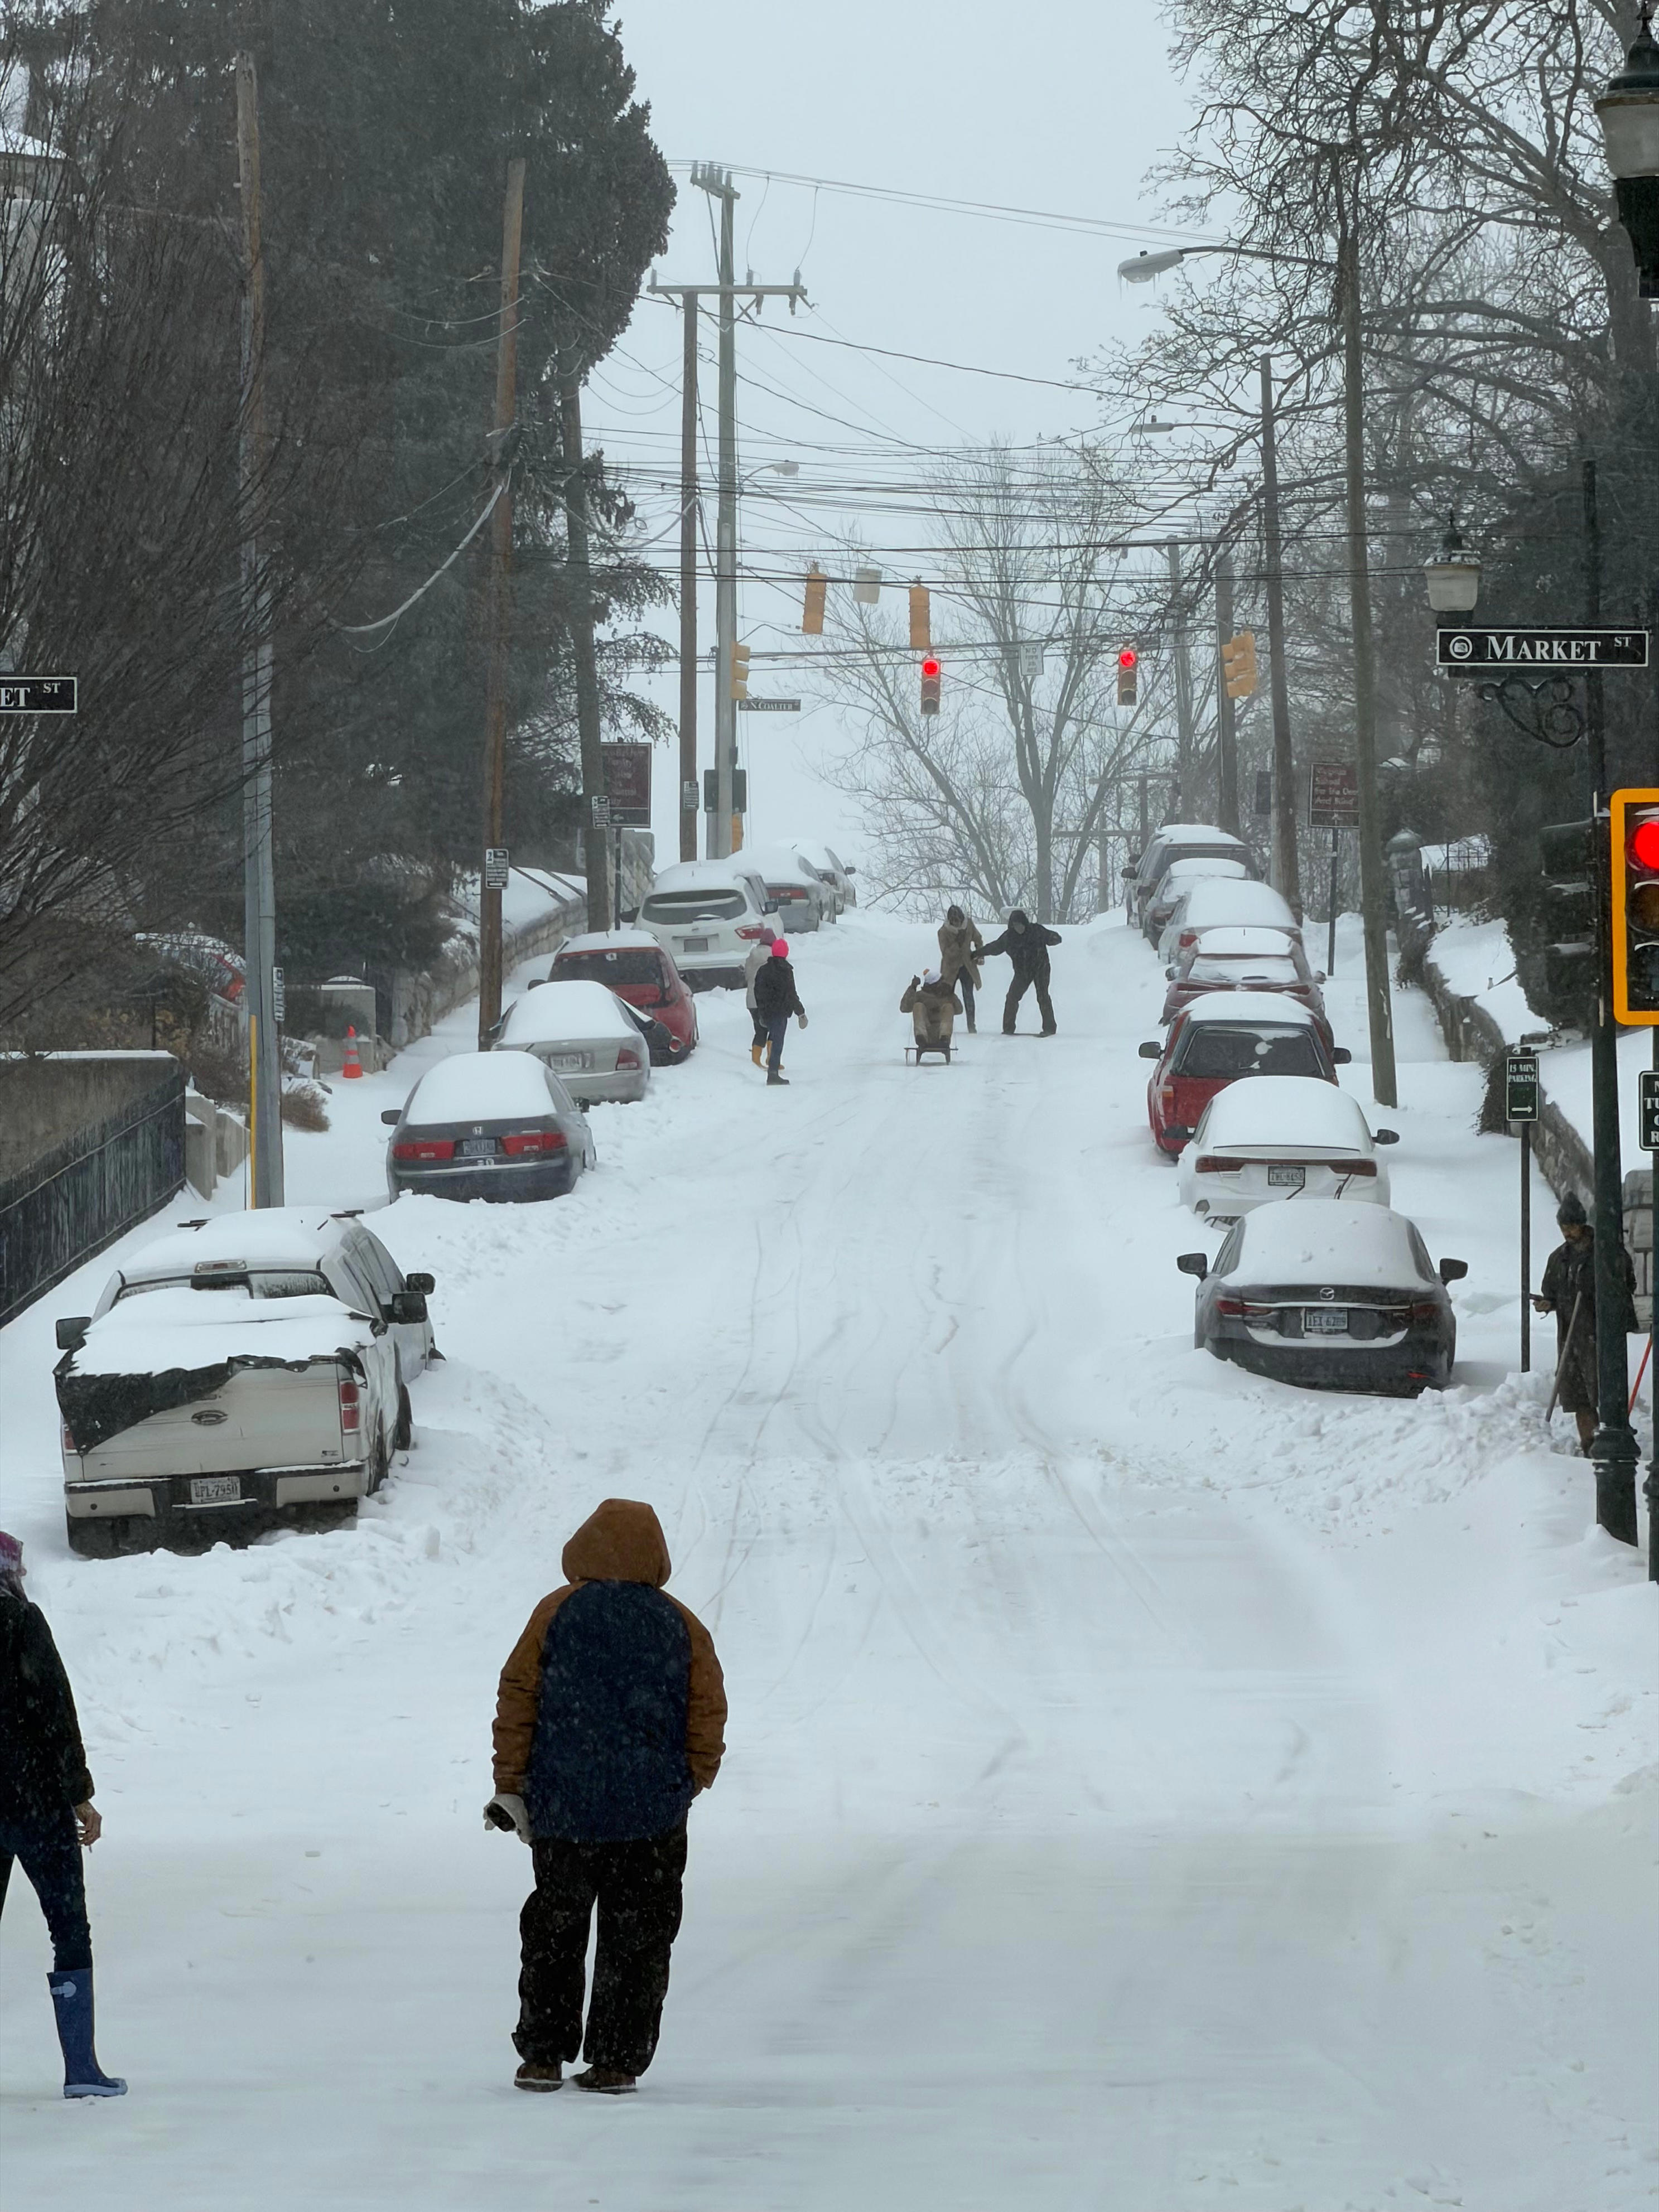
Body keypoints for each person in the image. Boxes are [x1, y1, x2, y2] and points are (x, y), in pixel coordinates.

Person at [487, 1499, 726, 2096]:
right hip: (651, 1816)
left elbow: (518, 1696)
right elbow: (707, 1707)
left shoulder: (555, 1613)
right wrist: (691, 1778)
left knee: (554, 1933)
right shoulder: (679, 1621)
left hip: (564, 1809)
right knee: (639, 1939)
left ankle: (542, 2055)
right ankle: (617, 2060)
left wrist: (511, 1782)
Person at [0, 1532, 126, 2099]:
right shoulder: (21, 1623)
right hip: (35, 1802)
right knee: (68, 1928)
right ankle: (81, 2070)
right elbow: (55, 1709)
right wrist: (79, 1793)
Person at [1534, 1190, 1637, 1454]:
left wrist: (1603, 1297)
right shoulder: (1559, 1259)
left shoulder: (1605, 1251)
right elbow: (1551, 1292)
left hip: (1600, 1334)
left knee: (1604, 1390)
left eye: (1571, 1226)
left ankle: (1615, 1436)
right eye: (1563, 1227)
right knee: (1578, 1395)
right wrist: (1548, 1303)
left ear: (1582, 1224)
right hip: (1570, 1335)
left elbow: (1627, 1282)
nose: (1567, 1232)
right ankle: (1590, 1444)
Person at [981, 909, 1062, 1036]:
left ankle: (1050, 1028)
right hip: (1023, 972)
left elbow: (1054, 938)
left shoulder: (1036, 931)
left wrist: (1054, 938)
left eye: (1020, 925)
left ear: (1025, 923)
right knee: (1012, 997)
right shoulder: (1009, 937)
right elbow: (995, 947)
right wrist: (977, 953)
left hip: (1041, 968)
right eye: (1015, 926)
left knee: (1043, 997)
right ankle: (1008, 1029)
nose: (1018, 928)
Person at [752, 936, 807, 1086]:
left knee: (774, 1039)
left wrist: (761, 1010)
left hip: (767, 1011)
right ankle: (773, 1074)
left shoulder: (763, 970)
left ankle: (773, 1072)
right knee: (778, 1042)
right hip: (780, 1012)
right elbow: (791, 994)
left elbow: (757, 991)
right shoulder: (786, 971)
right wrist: (800, 1012)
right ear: (786, 953)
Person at [936, 905, 985, 1034]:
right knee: (946, 997)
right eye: (953, 921)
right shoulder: (943, 932)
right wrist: (957, 943)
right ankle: (944, 1026)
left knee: (968, 996)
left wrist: (980, 954)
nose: (956, 923)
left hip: (967, 966)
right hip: (950, 968)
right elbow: (946, 953)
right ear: (950, 920)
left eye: (958, 920)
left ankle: (971, 1026)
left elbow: (978, 939)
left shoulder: (969, 925)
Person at [900, 968, 962, 1060]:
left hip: (942, 1031)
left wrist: (951, 994)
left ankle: (944, 1038)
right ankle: (921, 1038)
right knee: (918, 1006)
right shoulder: (920, 996)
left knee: (948, 1007)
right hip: (925, 1032)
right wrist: (912, 988)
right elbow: (904, 1008)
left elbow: (959, 1010)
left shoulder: (946, 995)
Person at [742, 923, 778, 1067]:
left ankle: (756, 1060)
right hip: (766, 1000)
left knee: (760, 1030)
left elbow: (746, 976)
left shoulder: (752, 956)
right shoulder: (772, 956)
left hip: (751, 1000)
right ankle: (772, 1059)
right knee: (774, 1030)